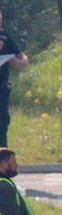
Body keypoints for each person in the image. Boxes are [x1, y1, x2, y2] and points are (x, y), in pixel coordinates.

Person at [0, 11, 29, 147]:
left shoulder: (5, 37)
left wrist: (20, 61)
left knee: (2, 118)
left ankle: (2, 151)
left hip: (2, 85)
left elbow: (21, 56)